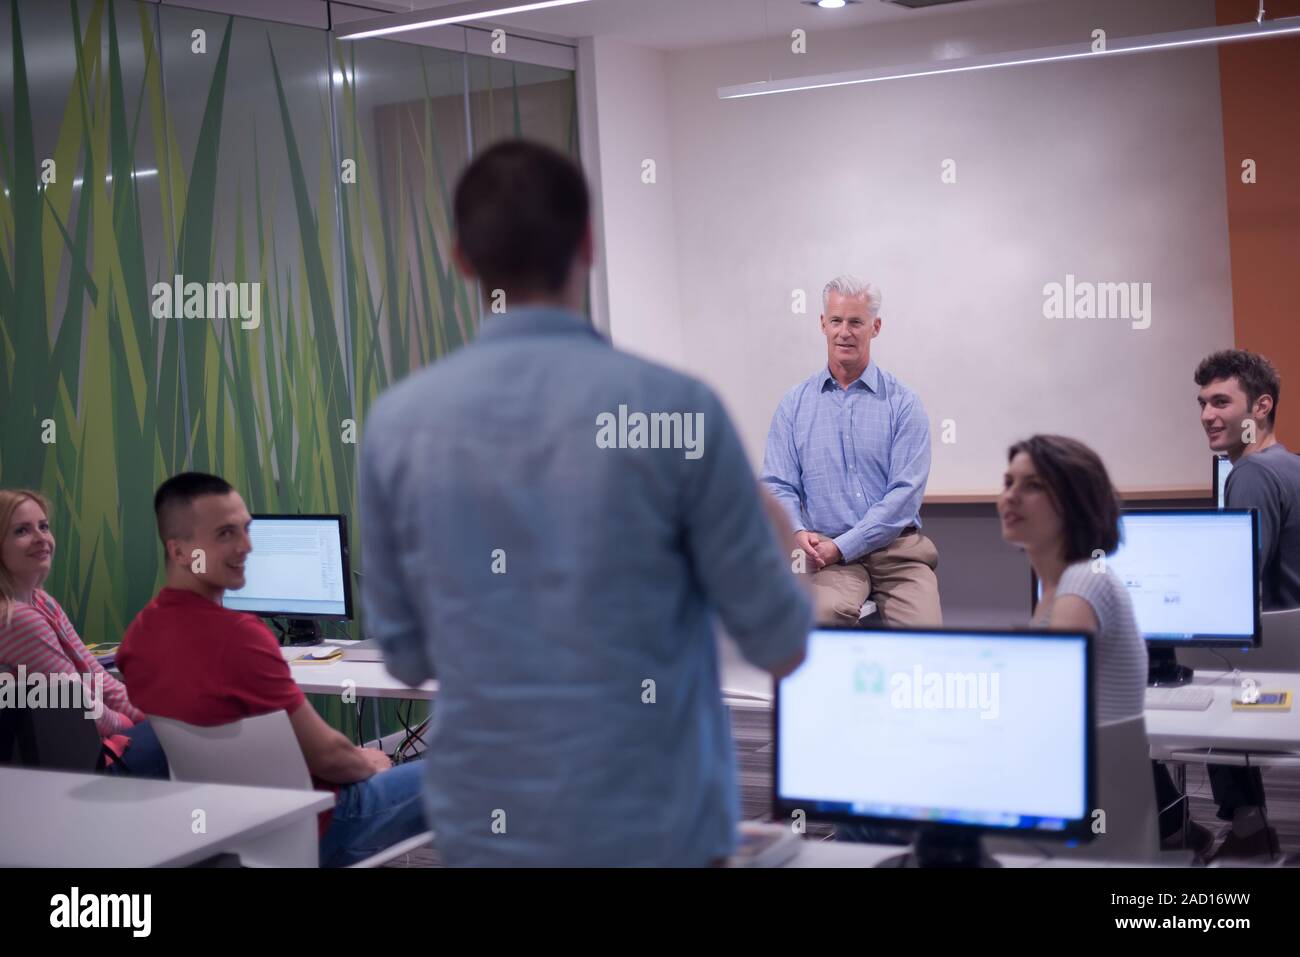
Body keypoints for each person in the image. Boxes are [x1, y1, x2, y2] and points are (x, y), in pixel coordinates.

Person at [359, 139, 811, 867]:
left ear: (461, 260)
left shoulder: (396, 424)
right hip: (659, 830)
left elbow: (406, 657)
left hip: (484, 828)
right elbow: (781, 646)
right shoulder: (678, 409)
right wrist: (778, 528)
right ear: (590, 242)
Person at [116, 472, 427, 867]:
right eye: (225, 534)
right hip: (321, 824)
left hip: (227, 831)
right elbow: (329, 757)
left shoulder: (138, 637)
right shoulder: (241, 637)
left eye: (246, 530)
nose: (246, 546)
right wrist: (369, 762)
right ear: (178, 552)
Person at [995, 437, 1207, 853]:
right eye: (1008, 482)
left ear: (1074, 502)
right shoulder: (1061, 586)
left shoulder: (1082, 583)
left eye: (1032, 485)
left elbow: (1043, 711)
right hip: (1076, 795)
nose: (1010, 497)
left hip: (1082, 814)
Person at [761, 276, 941, 627]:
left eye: (856, 322)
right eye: (836, 321)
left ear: (875, 327)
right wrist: (798, 534)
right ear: (822, 324)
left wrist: (845, 544)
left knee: (926, 637)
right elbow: (778, 484)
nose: (845, 331)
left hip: (898, 553)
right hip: (828, 559)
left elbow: (904, 496)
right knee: (818, 619)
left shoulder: (904, 403)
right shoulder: (793, 405)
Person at [1191, 348, 1298, 859]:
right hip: (1289, 646)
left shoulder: (1251, 474)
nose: (1207, 415)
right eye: (1202, 403)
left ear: (1260, 407)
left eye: (1220, 402)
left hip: (1279, 662)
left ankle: (1246, 826)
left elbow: (1232, 591)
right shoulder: (1290, 465)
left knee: (1182, 658)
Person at [0, 488, 167, 777]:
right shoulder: (16, 619)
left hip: (88, 749)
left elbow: (97, 679)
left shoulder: (41, 601)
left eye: (44, 526)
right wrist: (144, 725)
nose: (41, 538)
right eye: (21, 531)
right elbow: (86, 710)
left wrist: (150, 715)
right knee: (196, 734)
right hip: (83, 768)